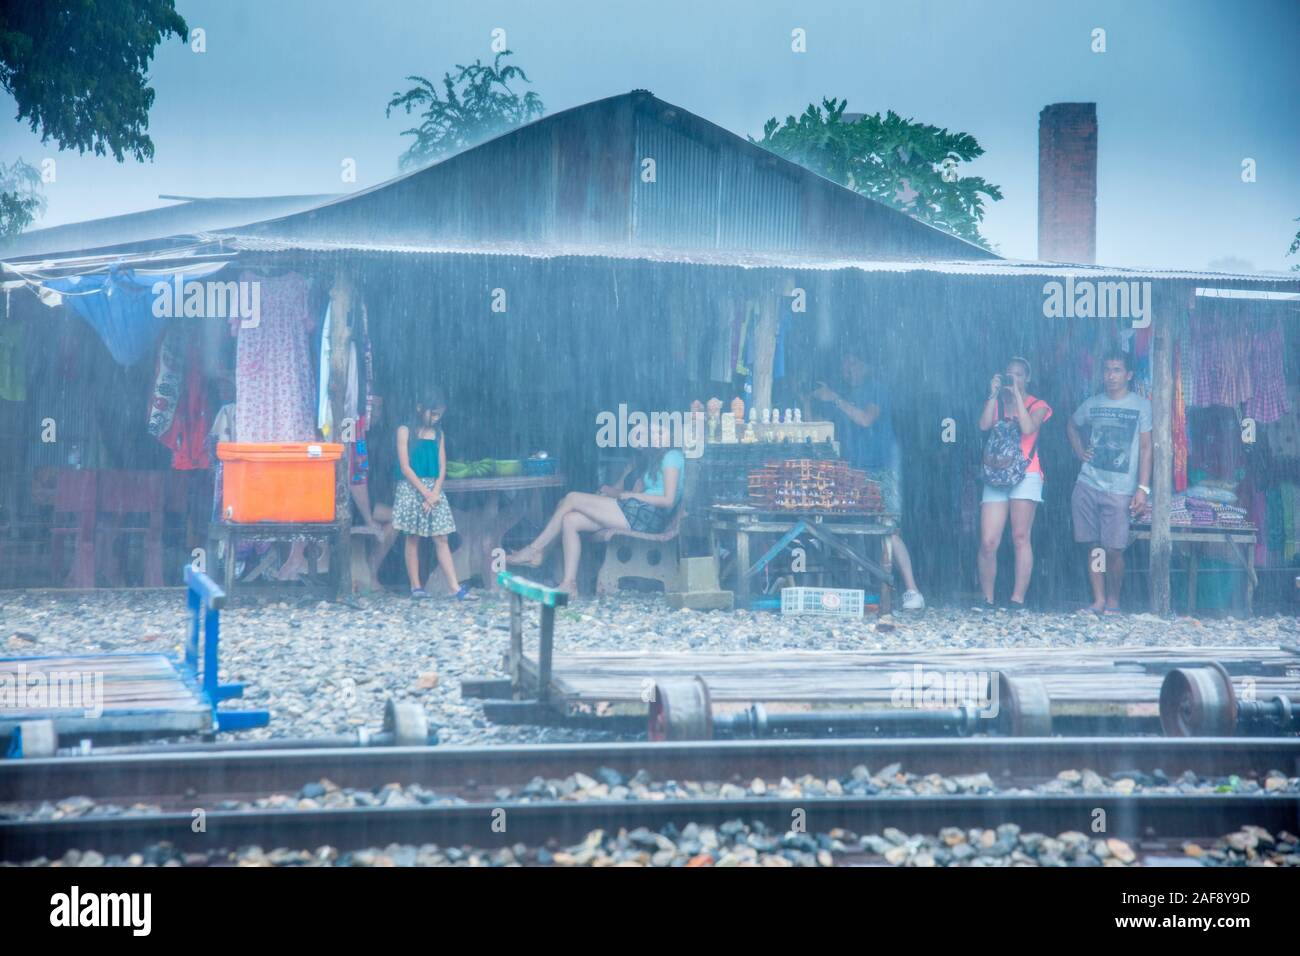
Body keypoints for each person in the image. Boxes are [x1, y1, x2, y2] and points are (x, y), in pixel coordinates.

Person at [508, 423, 683, 594]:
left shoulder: (672, 455)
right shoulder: (655, 461)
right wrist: (630, 492)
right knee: (570, 520)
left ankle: (535, 550)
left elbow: (668, 500)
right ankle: (568, 583)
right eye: (652, 434)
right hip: (639, 512)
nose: (656, 437)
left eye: (661, 432)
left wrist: (633, 496)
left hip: (647, 516)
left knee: (572, 498)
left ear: (672, 435)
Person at [812, 351, 925, 611]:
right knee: (853, 527)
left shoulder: (876, 390)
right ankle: (863, 586)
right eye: (844, 362)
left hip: (881, 470)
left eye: (852, 361)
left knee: (888, 529)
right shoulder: (846, 396)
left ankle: (912, 589)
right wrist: (806, 400)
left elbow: (865, 419)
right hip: (852, 471)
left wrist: (835, 398)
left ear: (867, 365)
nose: (847, 367)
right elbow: (820, 427)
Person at [1066, 350, 1152, 615]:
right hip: (1088, 483)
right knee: (1093, 545)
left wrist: (1143, 488)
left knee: (1114, 548)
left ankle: (1114, 601)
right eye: (1107, 370)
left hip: (1120, 489)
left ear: (1128, 375)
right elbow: (1071, 424)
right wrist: (1080, 452)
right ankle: (1099, 600)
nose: (1110, 376)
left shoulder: (1141, 406)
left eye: (1116, 370)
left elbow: (1147, 448)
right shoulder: (1093, 403)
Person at [977, 356, 1052, 610]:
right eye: (1010, 375)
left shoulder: (1039, 404)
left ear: (1027, 378)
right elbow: (984, 425)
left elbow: (1029, 428)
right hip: (996, 473)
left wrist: (1018, 396)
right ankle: (987, 598)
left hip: (1026, 473)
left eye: (1019, 375)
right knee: (988, 540)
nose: (1014, 379)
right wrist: (993, 394)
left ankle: (1017, 599)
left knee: (1020, 537)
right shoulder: (997, 402)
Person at [392, 388, 470, 600]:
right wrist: (426, 493)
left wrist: (435, 492)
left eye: (439, 415)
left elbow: (442, 466)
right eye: (433, 413)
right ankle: (416, 587)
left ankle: (455, 589)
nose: (436, 418)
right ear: (420, 408)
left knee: (442, 537)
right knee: (413, 537)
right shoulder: (404, 431)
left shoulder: (439, 434)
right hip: (411, 488)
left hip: (433, 489)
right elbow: (405, 467)